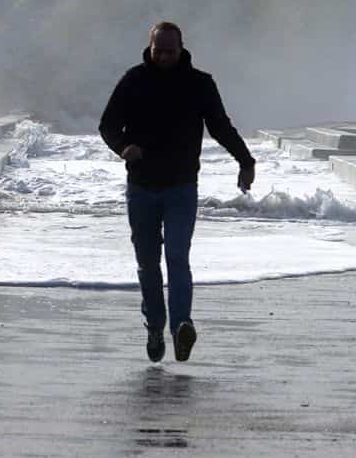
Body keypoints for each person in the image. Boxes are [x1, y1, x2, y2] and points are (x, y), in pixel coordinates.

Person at [98, 21, 257, 363]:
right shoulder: (133, 80)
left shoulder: (199, 84)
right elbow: (107, 125)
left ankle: (181, 325)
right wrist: (123, 147)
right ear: (150, 47)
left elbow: (220, 127)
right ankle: (155, 327)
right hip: (141, 187)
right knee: (147, 263)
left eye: (170, 51)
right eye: (159, 51)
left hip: (182, 187)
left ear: (181, 48)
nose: (164, 57)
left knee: (176, 256)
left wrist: (246, 161)